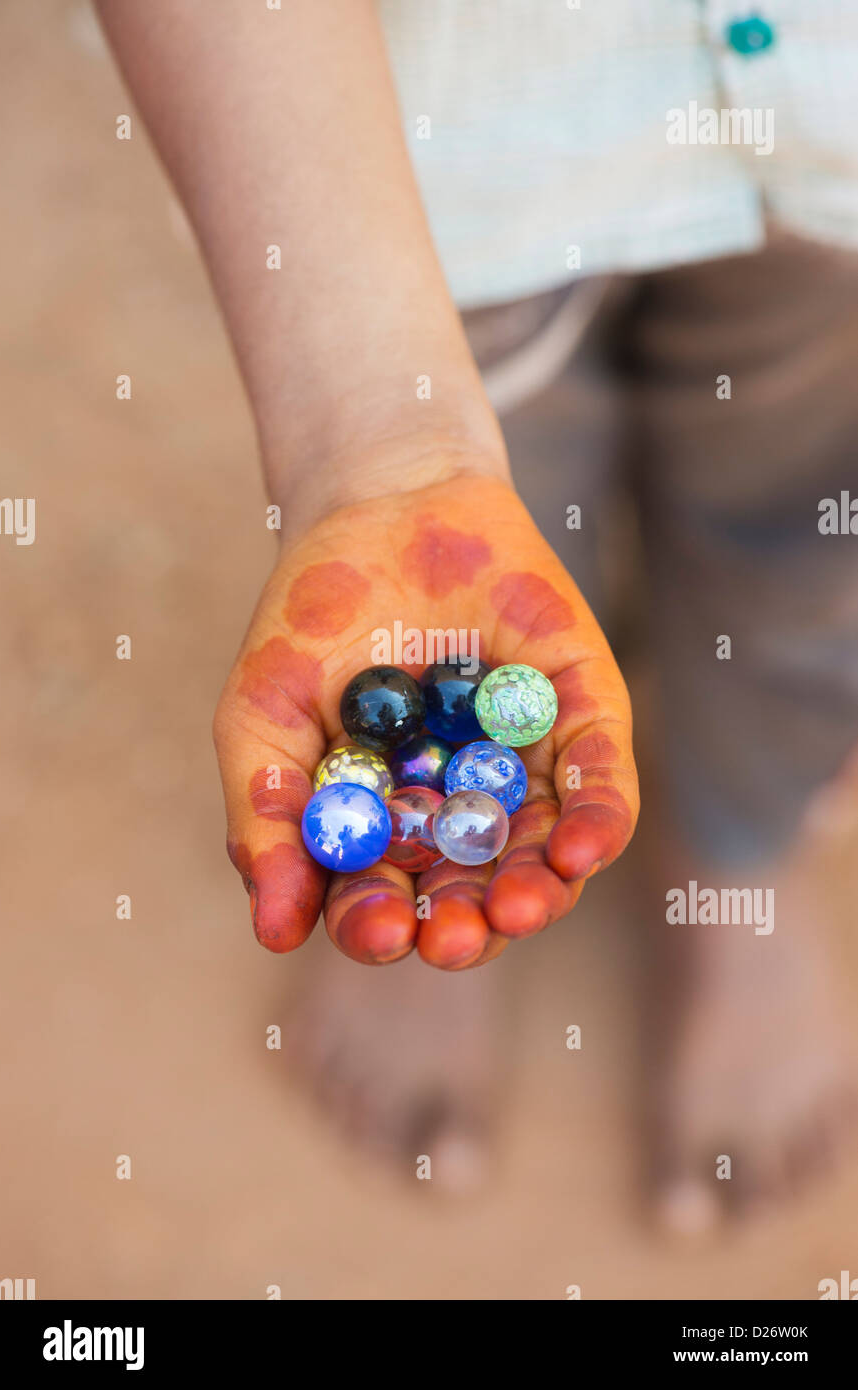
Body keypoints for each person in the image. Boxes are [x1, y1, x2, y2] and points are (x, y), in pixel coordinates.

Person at [95, 1, 858, 1228]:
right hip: (418, 149)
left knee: (811, 517)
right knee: (485, 512)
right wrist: (377, 458)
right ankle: (488, 893)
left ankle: (739, 851)